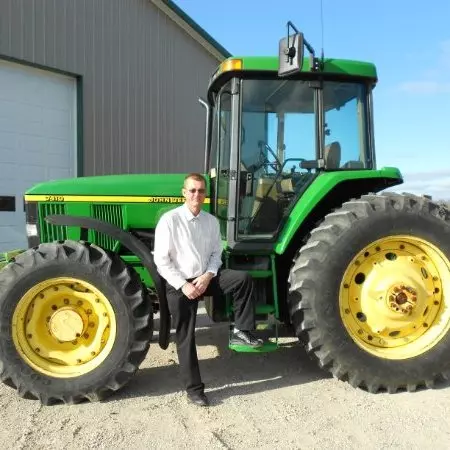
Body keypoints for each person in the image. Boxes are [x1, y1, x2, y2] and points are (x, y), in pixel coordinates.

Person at [153, 172, 264, 407]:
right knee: (186, 336)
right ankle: (194, 390)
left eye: (201, 191)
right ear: (183, 193)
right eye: (192, 190)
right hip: (179, 283)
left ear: (205, 194)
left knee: (242, 279)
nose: (196, 195)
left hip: (204, 278)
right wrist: (184, 285)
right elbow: (161, 261)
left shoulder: (211, 221)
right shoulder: (170, 221)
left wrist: (207, 276)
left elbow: (216, 254)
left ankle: (242, 330)